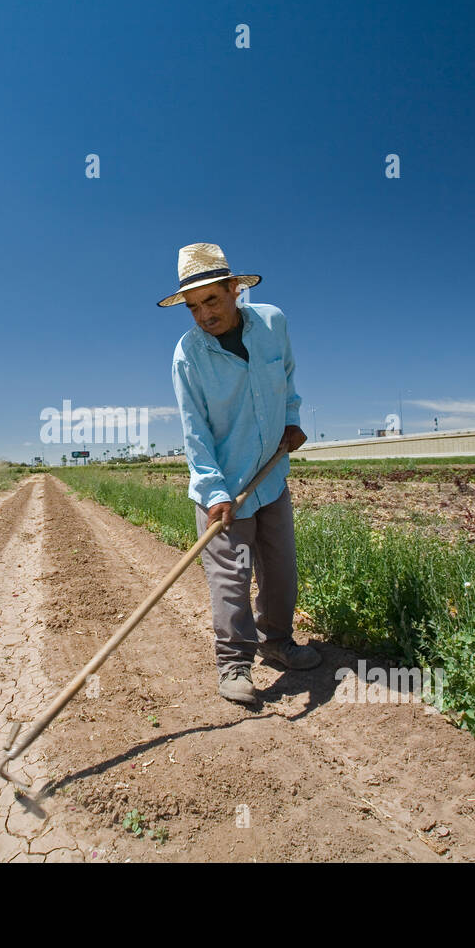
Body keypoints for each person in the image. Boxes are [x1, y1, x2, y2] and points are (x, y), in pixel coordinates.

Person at [160, 242, 321, 705]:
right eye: (193, 307)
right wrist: (214, 491)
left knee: (280, 569)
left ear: (235, 290)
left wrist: (291, 418)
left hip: (270, 475)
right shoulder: (188, 356)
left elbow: (287, 376)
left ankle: (278, 642)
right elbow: (195, 431)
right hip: (225, 485)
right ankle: (233, 664)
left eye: (212, 299)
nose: (204, 314)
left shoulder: (272, 323)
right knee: (232, 576)